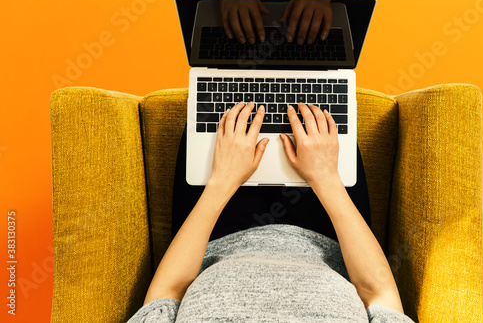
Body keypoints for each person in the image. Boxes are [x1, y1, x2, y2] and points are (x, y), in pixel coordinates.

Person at [128, 102, 412, 322]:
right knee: (311, 77)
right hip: (330, 231)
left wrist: (221, 182)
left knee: (231, 74)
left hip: (214, 231)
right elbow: (380, 295)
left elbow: (166, 296)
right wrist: (327, 180)